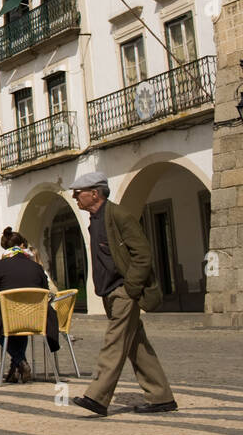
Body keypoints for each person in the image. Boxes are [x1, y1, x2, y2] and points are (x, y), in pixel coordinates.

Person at [67, 172, 176, 417]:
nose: (75, 196)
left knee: (114, 342)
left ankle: (97, 397)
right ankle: (161, 397)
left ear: (94, 193)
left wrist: (130, 288)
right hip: (109, 292)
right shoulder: (95, 220)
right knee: (136, 346)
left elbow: (143, 255)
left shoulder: (119, 216)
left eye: (78, 192)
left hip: (123, 291)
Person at [0, 228, 59, 383]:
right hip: (36, 318)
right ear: (22, 246)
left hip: (9, 318)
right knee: (21, 327)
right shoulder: (36, 267)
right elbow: (45, 291)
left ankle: (19, 361)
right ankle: (16, 368)